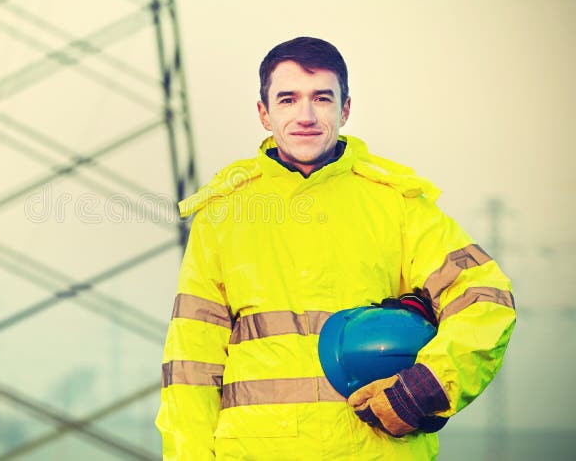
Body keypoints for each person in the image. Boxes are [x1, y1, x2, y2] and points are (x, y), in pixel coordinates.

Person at [155, 37, 516, 460]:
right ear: (263, 113)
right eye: (287, 99)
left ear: (345, 109)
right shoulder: (222, 216)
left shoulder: (398, 205)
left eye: (321, 98)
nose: (305, 115)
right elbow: (190, 366)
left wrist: (429, 385)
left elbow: (485, 299)